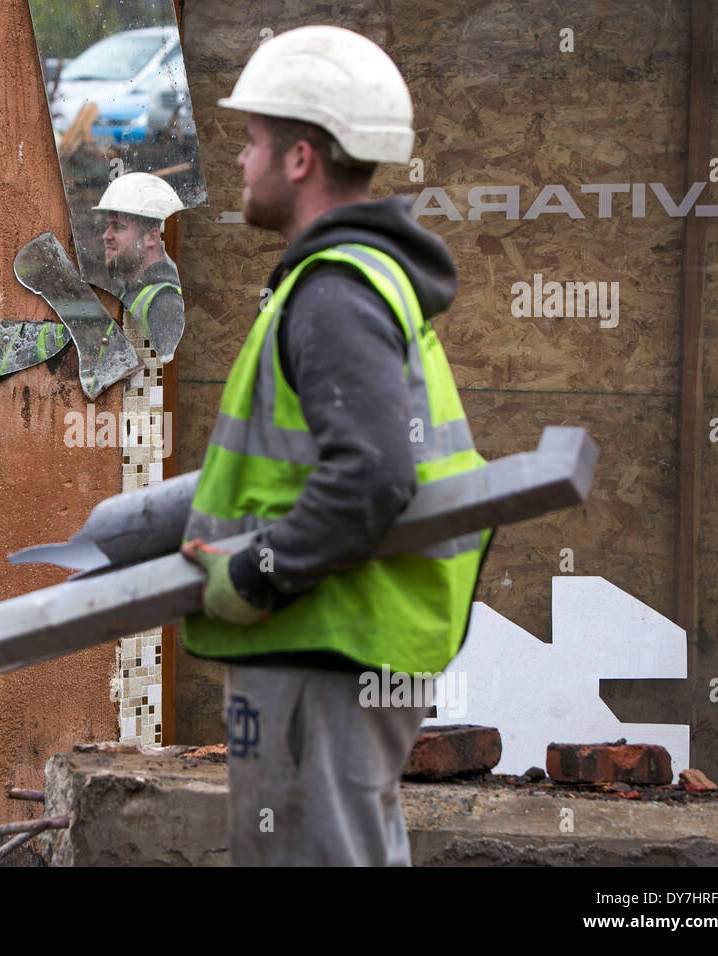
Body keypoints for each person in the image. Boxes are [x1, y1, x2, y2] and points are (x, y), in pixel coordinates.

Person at [179, 25, 491, 866]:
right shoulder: (348, 282)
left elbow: (371, 477)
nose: (238, 163)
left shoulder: (334, 293)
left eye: (250, 143)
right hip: (340, 642)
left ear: (301, 158)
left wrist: (253, 572)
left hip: (329, 642)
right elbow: (315, 465)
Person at [94, 172, 186, 362]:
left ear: (152, 237)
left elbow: (161, 381)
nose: (106, 235)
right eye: (107, 226)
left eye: (117, 227)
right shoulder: (133, 293)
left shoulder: (164, 303)